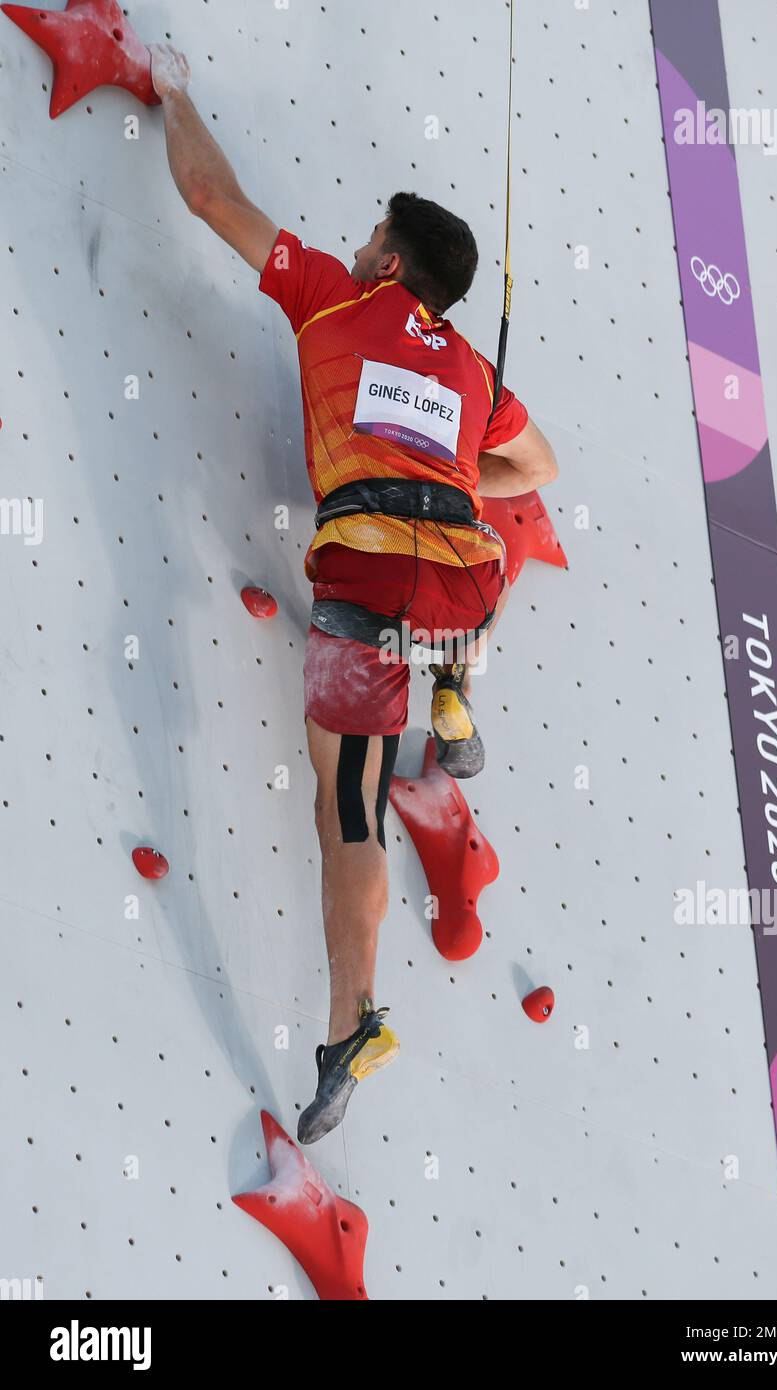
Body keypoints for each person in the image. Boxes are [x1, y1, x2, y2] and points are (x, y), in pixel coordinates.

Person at [149, 43, 558, 1144]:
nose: (361, 240)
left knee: (347, 812)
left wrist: (170, 87)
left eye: (374, 232)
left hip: (365, 580)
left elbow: (206, 194)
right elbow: (540, 472)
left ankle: (349, 1021)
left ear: (386, 263)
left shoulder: (331, 296)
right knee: (477, 559)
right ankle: (460, 693)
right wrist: (453, 462)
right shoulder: (473, 371)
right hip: (459, 584)